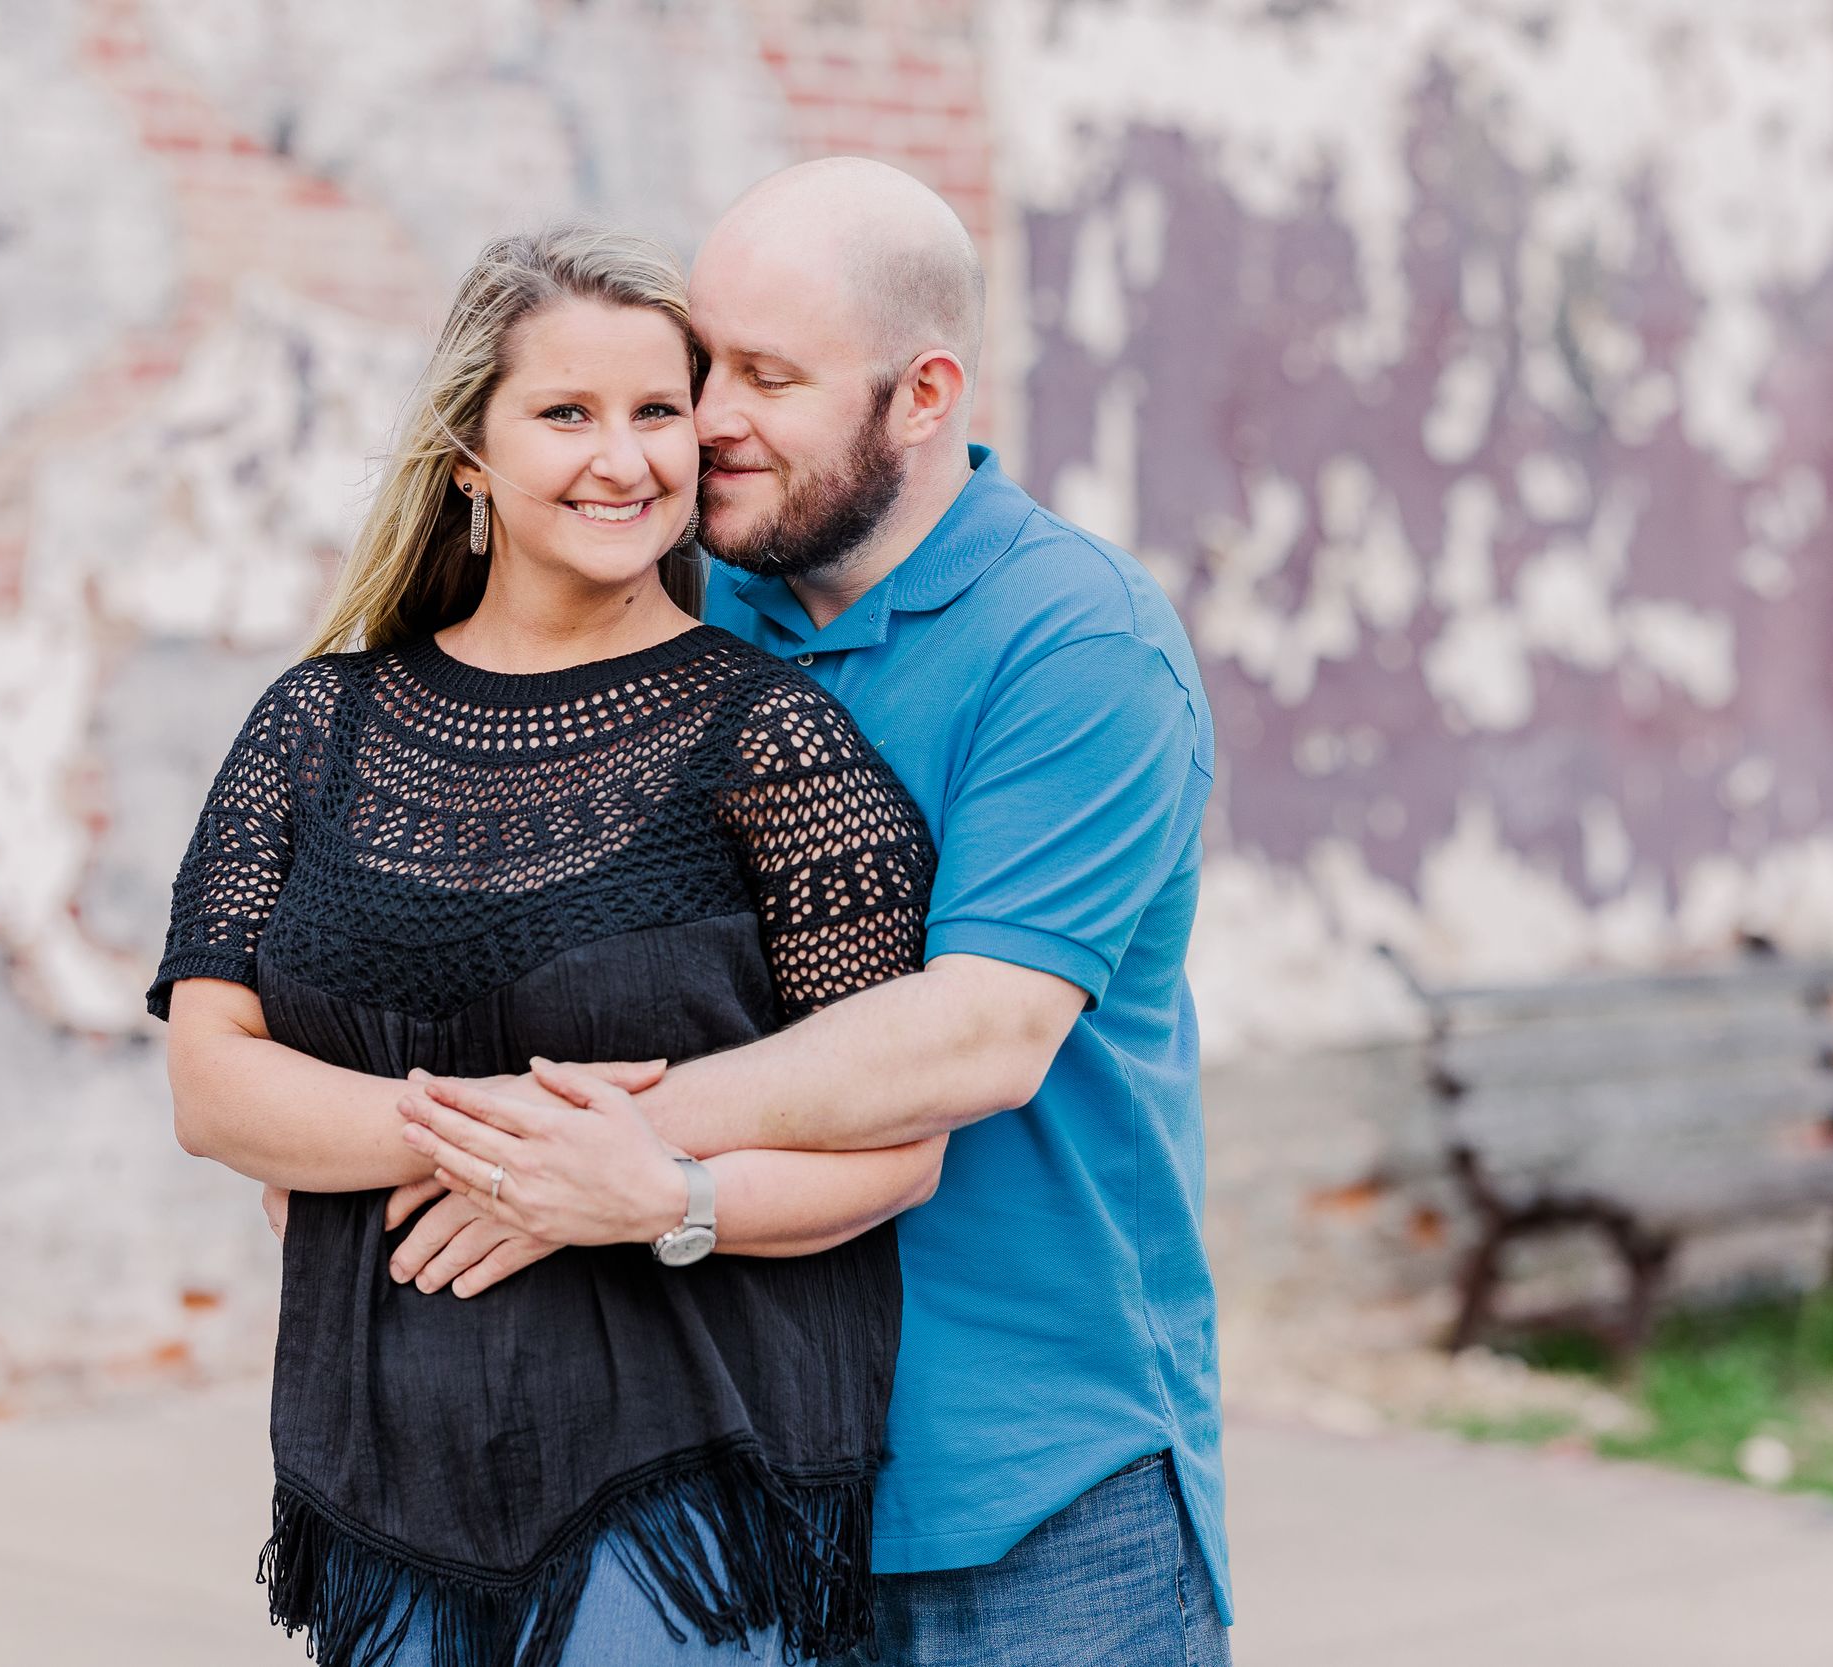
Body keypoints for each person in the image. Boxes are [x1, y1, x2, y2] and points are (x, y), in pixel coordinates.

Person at [404, 159, 1232, 1665]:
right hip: (723, 1465)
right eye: (702, 361)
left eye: (767, 377)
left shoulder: (1082, 647)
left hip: (1035, 1490)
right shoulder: (687, 611)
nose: (706, 417)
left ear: (923, 396)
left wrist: (603, 1147)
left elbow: (978, 1036)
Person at [155, 223, 944, 1666]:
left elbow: (895, 1146)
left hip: (681, 1494)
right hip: (383, 1481)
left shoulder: (773, 744)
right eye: (567, 412)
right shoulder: (312, 728)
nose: (624, 458)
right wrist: (500, 1135)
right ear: (469, 454)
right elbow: (213, 1085)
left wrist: (641, 1191)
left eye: (658, 413)